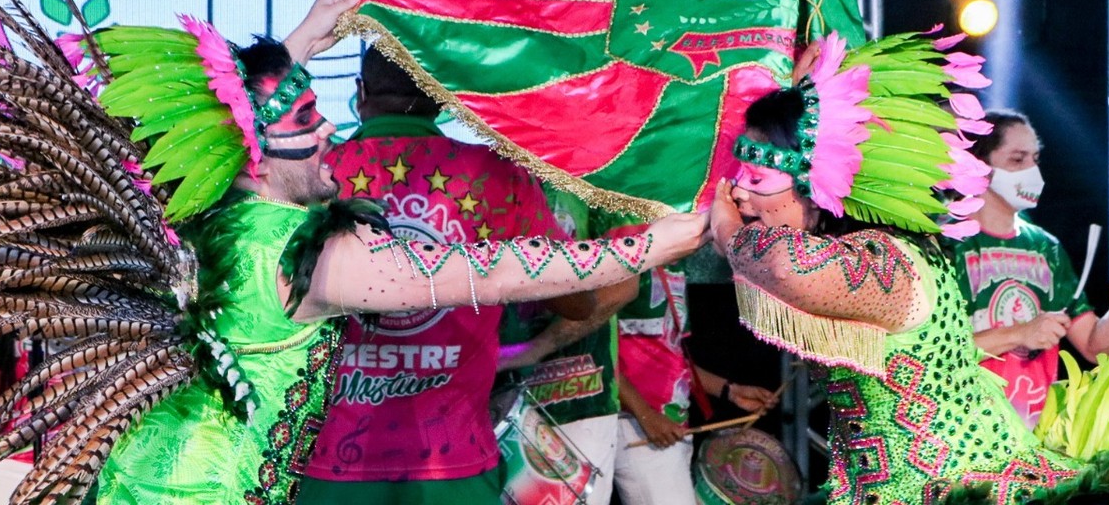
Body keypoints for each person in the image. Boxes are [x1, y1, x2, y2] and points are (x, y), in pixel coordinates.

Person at [0, 0, 708, 505]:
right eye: (306, 118)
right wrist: (648, 247)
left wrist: (305, 32)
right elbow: (493, 274)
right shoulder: (312, 259)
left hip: (140, 482)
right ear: (256, 157)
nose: (329, 125)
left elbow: (233, 116)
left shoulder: (199, 213)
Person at [708, 31, 1088, 505]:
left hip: (957, 488)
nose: (738, 194)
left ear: (818, 185)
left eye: (756, 177)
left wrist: (726, 228)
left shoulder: (888, 262)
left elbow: (784, 266)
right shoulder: (854, 252)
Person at [298, 50, 595, 503]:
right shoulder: (497, 176)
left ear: (360, 93)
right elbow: (577, 301)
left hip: (327, 463)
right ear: (441, 98)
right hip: (453, 463)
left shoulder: (315, 174)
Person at [947, 110, 1109, 429]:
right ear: (979, 166)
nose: (1032, 173)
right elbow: (934, 354)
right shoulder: (948, 241)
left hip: (1035, 433)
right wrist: (1020, 333)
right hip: (964, 431)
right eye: (1017, 160)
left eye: (1035, 160)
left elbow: (1095, 349)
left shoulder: (1045, 247)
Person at [495, 193, 639, 505]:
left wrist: (535, 348)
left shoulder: (597, 182)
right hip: (493, 400)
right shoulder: (491, 177)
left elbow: (624, 284)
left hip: (579, 396)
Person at [611, 250, 779, 505]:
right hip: (636, 423)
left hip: (670, 424)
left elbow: (671, 358)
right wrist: (644, 414)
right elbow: (598, 354)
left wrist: (729, 390)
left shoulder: (675, 269)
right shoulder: (624, 263)